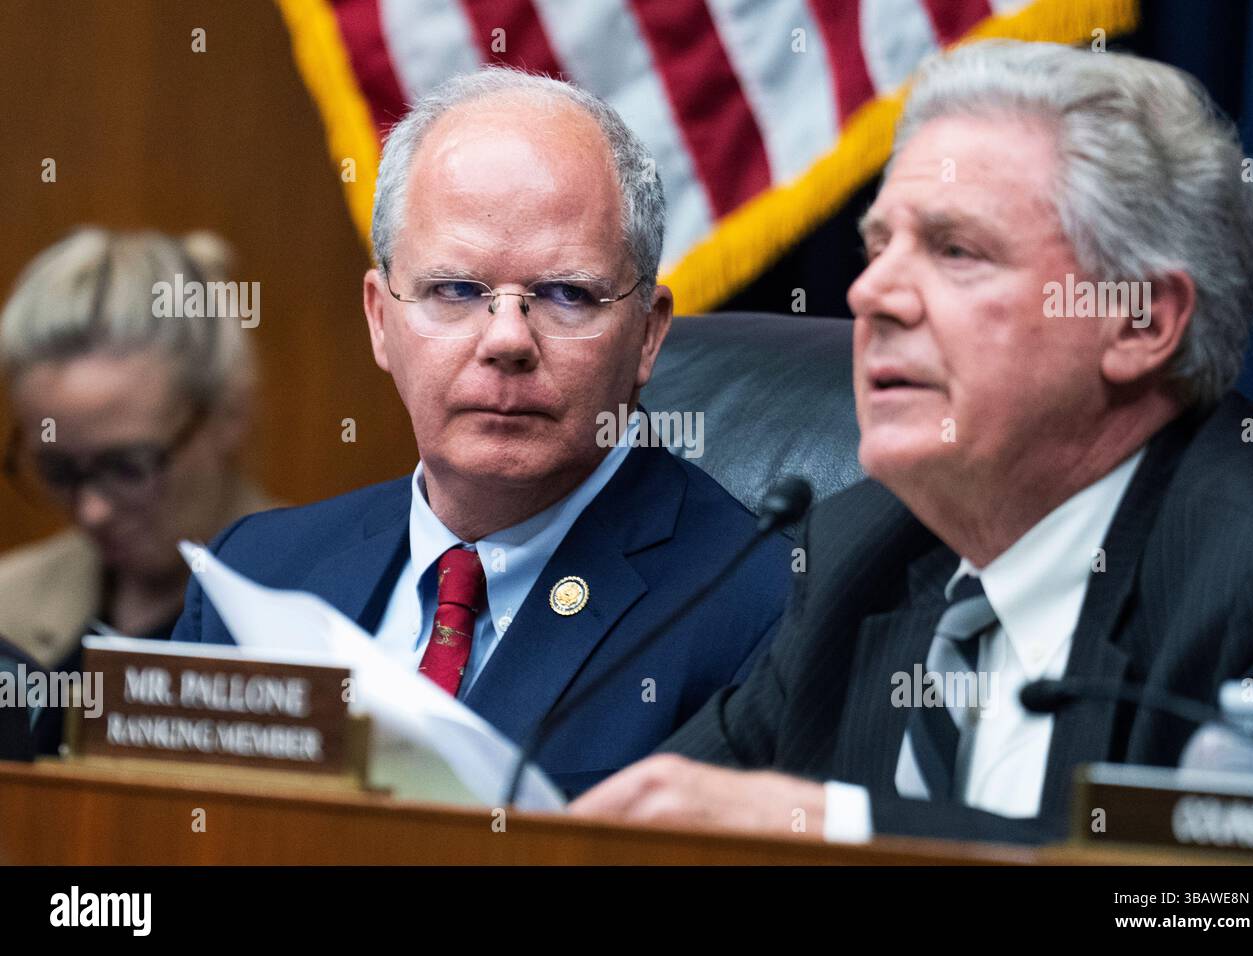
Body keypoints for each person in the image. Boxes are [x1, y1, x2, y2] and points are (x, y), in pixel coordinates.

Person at [570, 40, 1253, 843]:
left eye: (956, 251)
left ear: (1140, 320)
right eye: (880, 248)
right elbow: (659, 832)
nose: (870, 292)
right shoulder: (860, 554)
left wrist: (844, 827)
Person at [170, 69, 790, 797]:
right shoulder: (257, 570)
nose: (506, 340)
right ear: (380, 319)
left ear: (648, 337)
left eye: (566, 294)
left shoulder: (764, 610)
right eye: (456, 291)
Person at [0, 227, 276, 752]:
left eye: (129, 467)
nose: (93, 511)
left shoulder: (332, 612)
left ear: (228, 415)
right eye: (58, 470)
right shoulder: (6, 610)